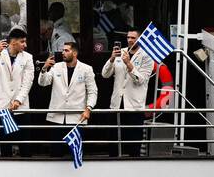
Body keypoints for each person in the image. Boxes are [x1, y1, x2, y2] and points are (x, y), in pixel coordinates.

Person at [37, 41, 96, 158]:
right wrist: (44, 68)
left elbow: (92, 91)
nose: (63, 53)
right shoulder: (56, 66)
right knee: (55, 153)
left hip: (77, 118)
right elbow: (43, 83)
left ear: (74, 53)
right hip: (56, 118)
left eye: (66, 50)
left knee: (75, 154)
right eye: (63, 50)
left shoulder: (86, 69)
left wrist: (89, 108)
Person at [101, 28, 154, 158]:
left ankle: (134, 169)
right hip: (117, 103)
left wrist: (129, 64)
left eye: (133, 38)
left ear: (140, 39)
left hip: (134, 105)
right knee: (113, 140)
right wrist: (112, 59)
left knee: (133, 143)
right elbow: (105, 74)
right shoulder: (122, 51)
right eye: (128, 37)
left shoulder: (147, 56)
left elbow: (140, 80)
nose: (129, 40)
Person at [0, 27, 35, 156]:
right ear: (13, 42)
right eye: (22, 42)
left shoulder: (28, 58)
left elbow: (27, 82)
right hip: (4, 105)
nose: (25, 45)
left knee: (24, 143)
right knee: (5, 143)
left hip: (21, 105)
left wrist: (19, 100)